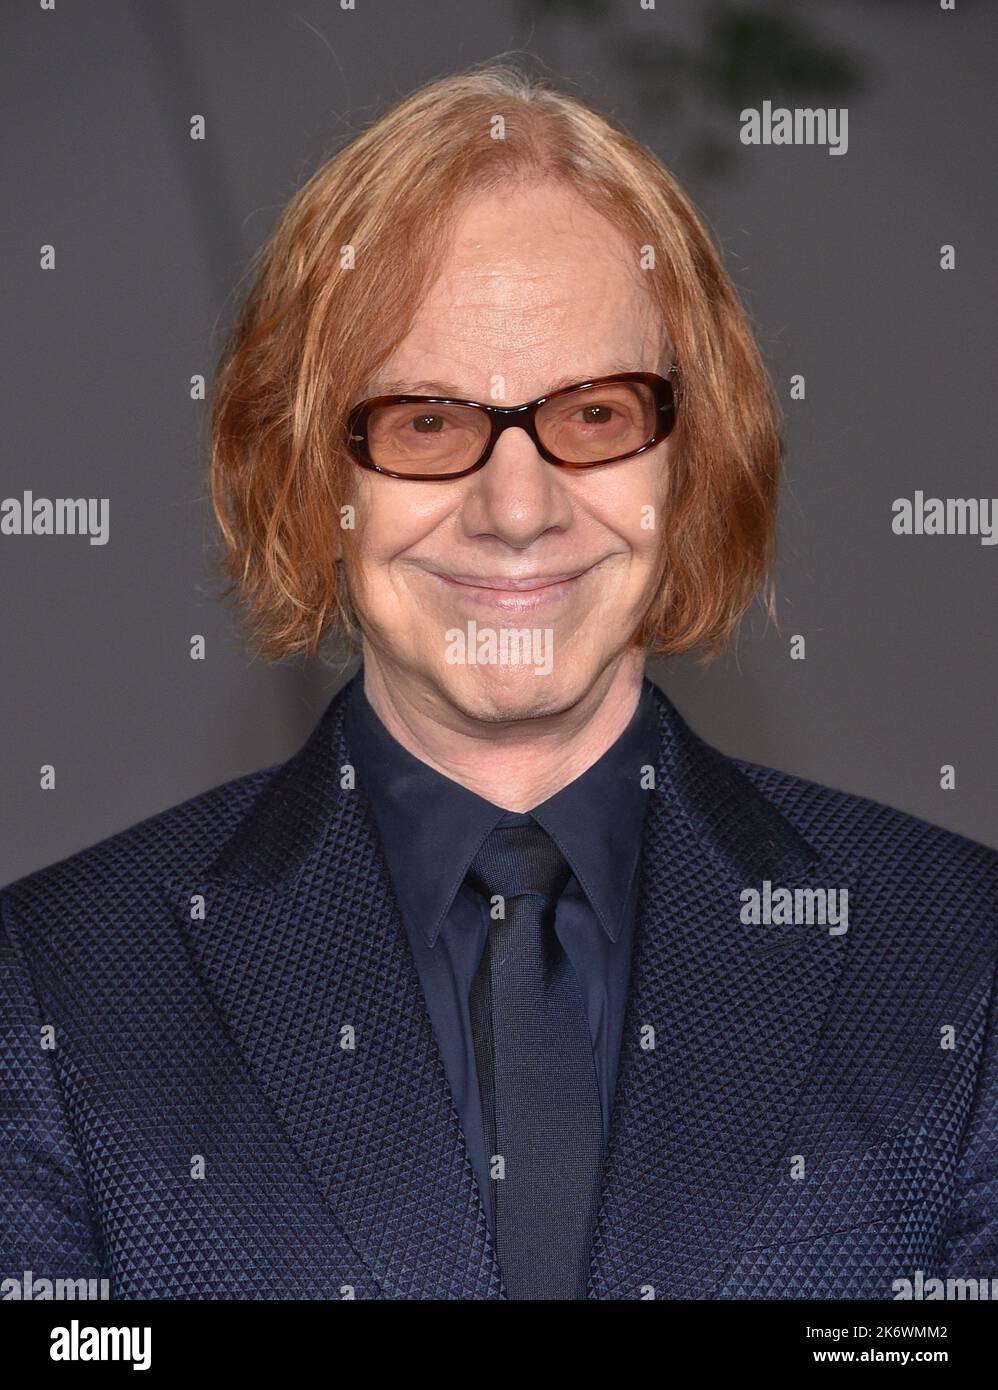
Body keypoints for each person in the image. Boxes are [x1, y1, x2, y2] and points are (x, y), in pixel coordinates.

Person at [2, 64, 995, 1302]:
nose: (516, 509)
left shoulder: (960, 962)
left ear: (694, 460)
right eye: (425, 421)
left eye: (591, 413)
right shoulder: (52, 989)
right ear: (312, 476)